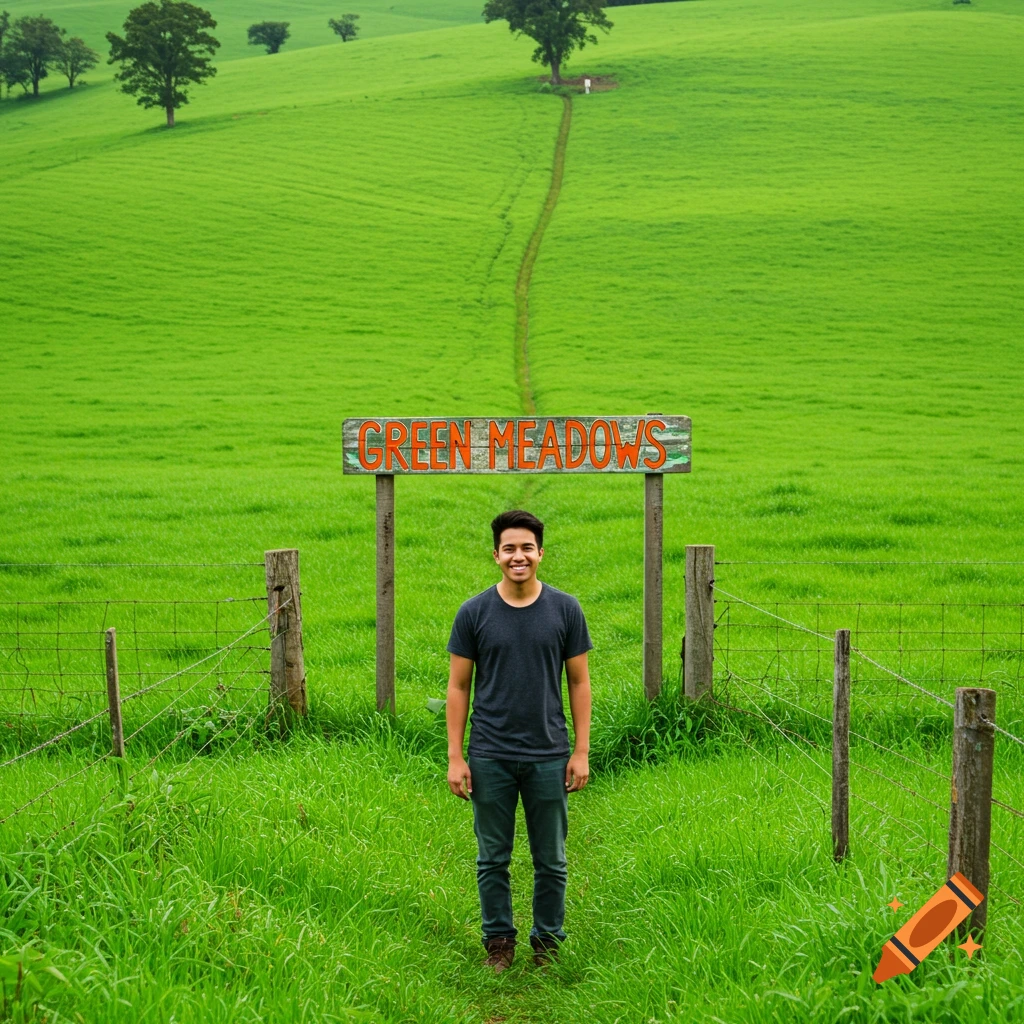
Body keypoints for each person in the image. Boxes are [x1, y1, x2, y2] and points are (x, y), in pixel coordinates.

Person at [445, 509, 593, 974]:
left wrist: (581, 750)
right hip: (490, 754)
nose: (518, 556)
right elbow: (458, 687)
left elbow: (579, 683)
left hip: (549, 754)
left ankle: (547, 943)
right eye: (509, 548)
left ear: (541, 553)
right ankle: (499, 943)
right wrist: (455, 756)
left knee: (551, 859)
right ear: (496, 555)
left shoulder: (566, 609)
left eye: (527, 547)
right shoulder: (474, 613)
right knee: (493, 858)